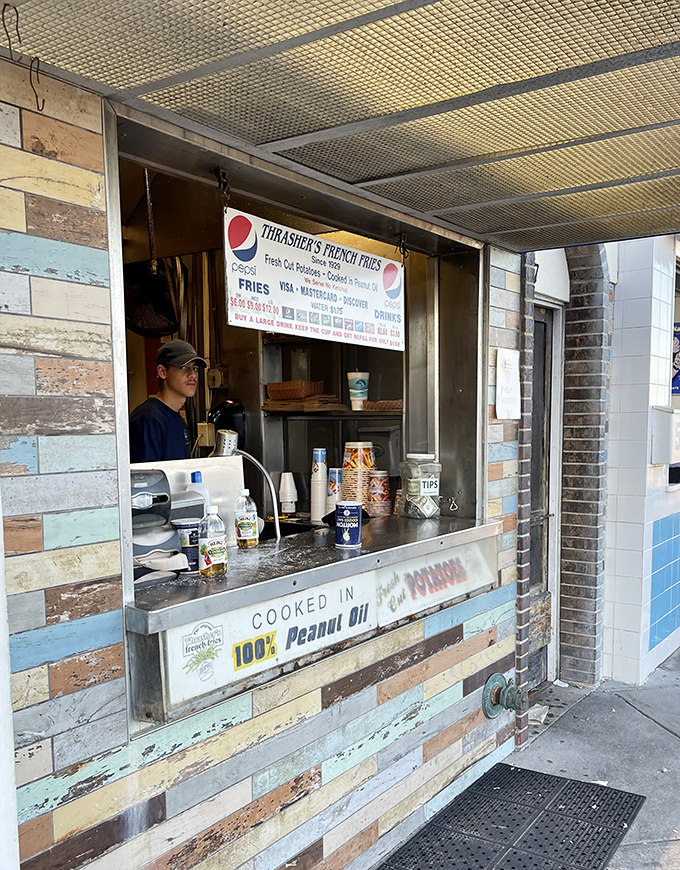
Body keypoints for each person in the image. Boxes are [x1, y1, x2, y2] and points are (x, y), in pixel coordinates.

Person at [129, 339, 207, 463]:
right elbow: (145, 479)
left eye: (195, 368)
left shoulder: (178, 420)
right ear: (162, 372)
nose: (192, 374)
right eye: (183, 367)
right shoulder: (148, 419)